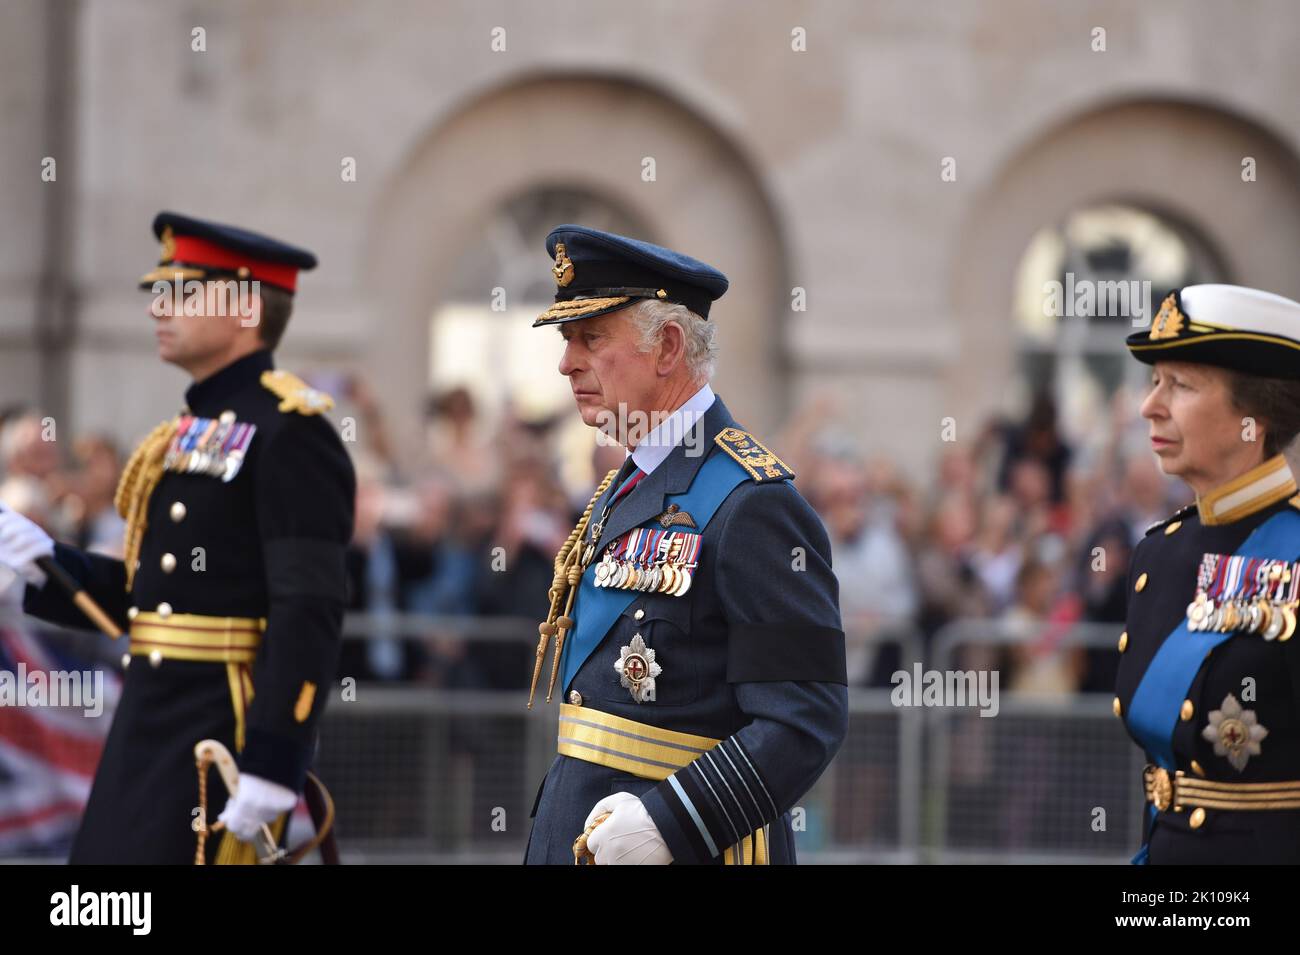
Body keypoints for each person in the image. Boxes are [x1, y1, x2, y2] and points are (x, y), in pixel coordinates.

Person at [0, 211, 355, 863]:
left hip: (218, 732)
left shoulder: (292, 431)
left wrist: (275, 760)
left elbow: (308, 610)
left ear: (246, 308)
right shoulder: (187, 432)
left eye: (184, 292)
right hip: (151, 722)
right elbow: (156, 600)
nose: (160, 308)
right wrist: (44, 563)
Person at [521, 225, 847, 865]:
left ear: (667, 346)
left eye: (591, 337)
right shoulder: (631, 479)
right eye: (567, 340)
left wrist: (668, 824)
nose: (567, 362)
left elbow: (805, 717)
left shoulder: (752, 502)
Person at [1115, 284, 1300, 864]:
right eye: (1155, 382)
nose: (1152, 406)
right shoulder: (1157, 554)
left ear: (1258, 413)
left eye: (1183, 385)